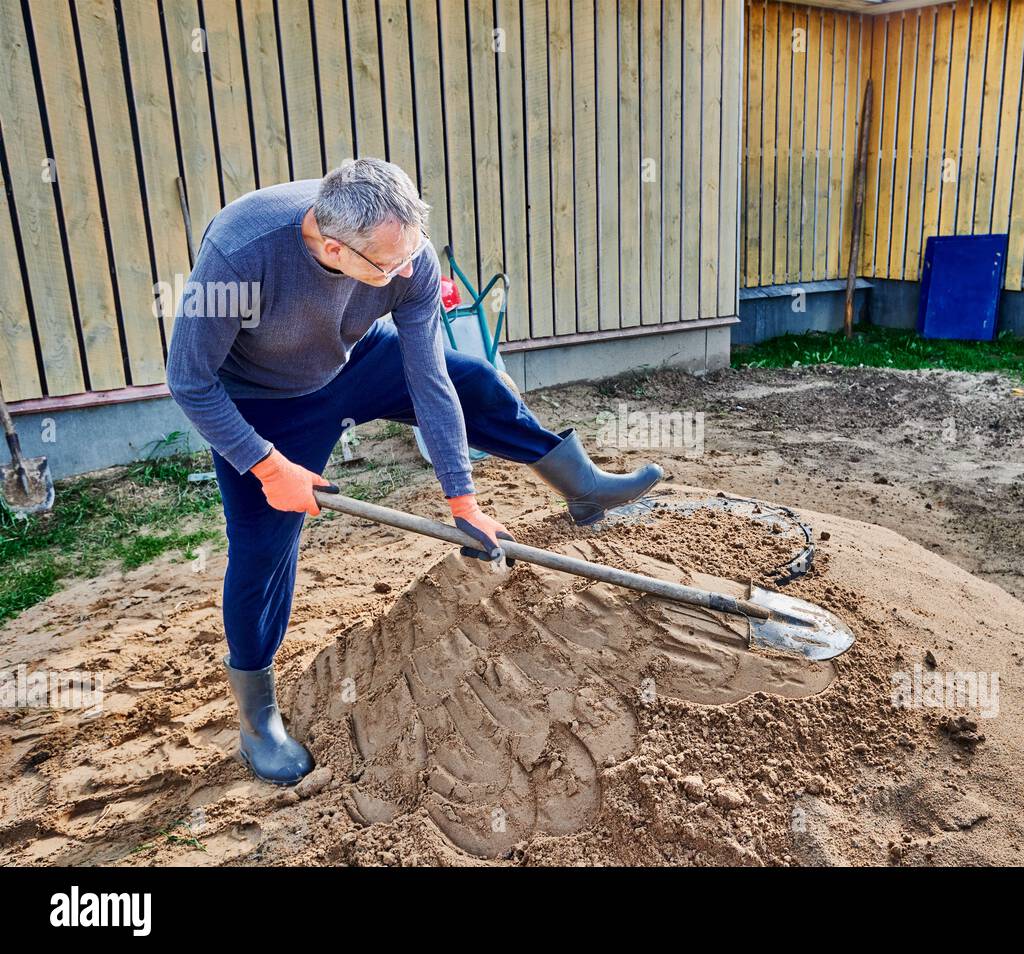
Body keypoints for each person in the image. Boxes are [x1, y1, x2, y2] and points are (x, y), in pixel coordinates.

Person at [166, 158, 663, 785]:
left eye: (410, 255)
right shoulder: (242, 252)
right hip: (265, 403)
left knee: (473, 379)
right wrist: (267, 466)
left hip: (352, 362)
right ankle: (258, 717)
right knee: (264, 549)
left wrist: (463, 499)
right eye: (389, 266)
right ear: (330, 244)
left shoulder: (407, 255)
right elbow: (188, 380)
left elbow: (428, 377)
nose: (407, 272)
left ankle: (581, 486)